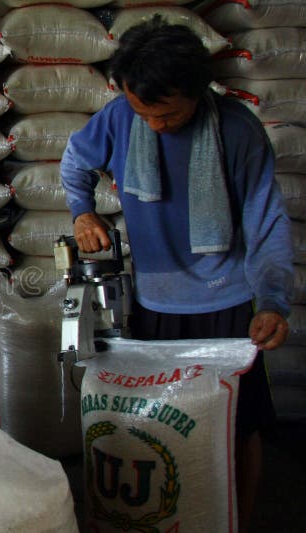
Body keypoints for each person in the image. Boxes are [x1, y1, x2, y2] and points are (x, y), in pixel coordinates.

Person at [60, 16, 293, 533]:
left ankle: (239, 521)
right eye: (144, 113)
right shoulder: (121, 118)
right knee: (160, 426)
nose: (155, 125)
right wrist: (83, 211)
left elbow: (266, 221)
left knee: (238, 426)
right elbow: (75, 162)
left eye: (166, 114)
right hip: (154, 305)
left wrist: (274, 300)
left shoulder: (235, 127)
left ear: (196, 91)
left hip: (227, 305)